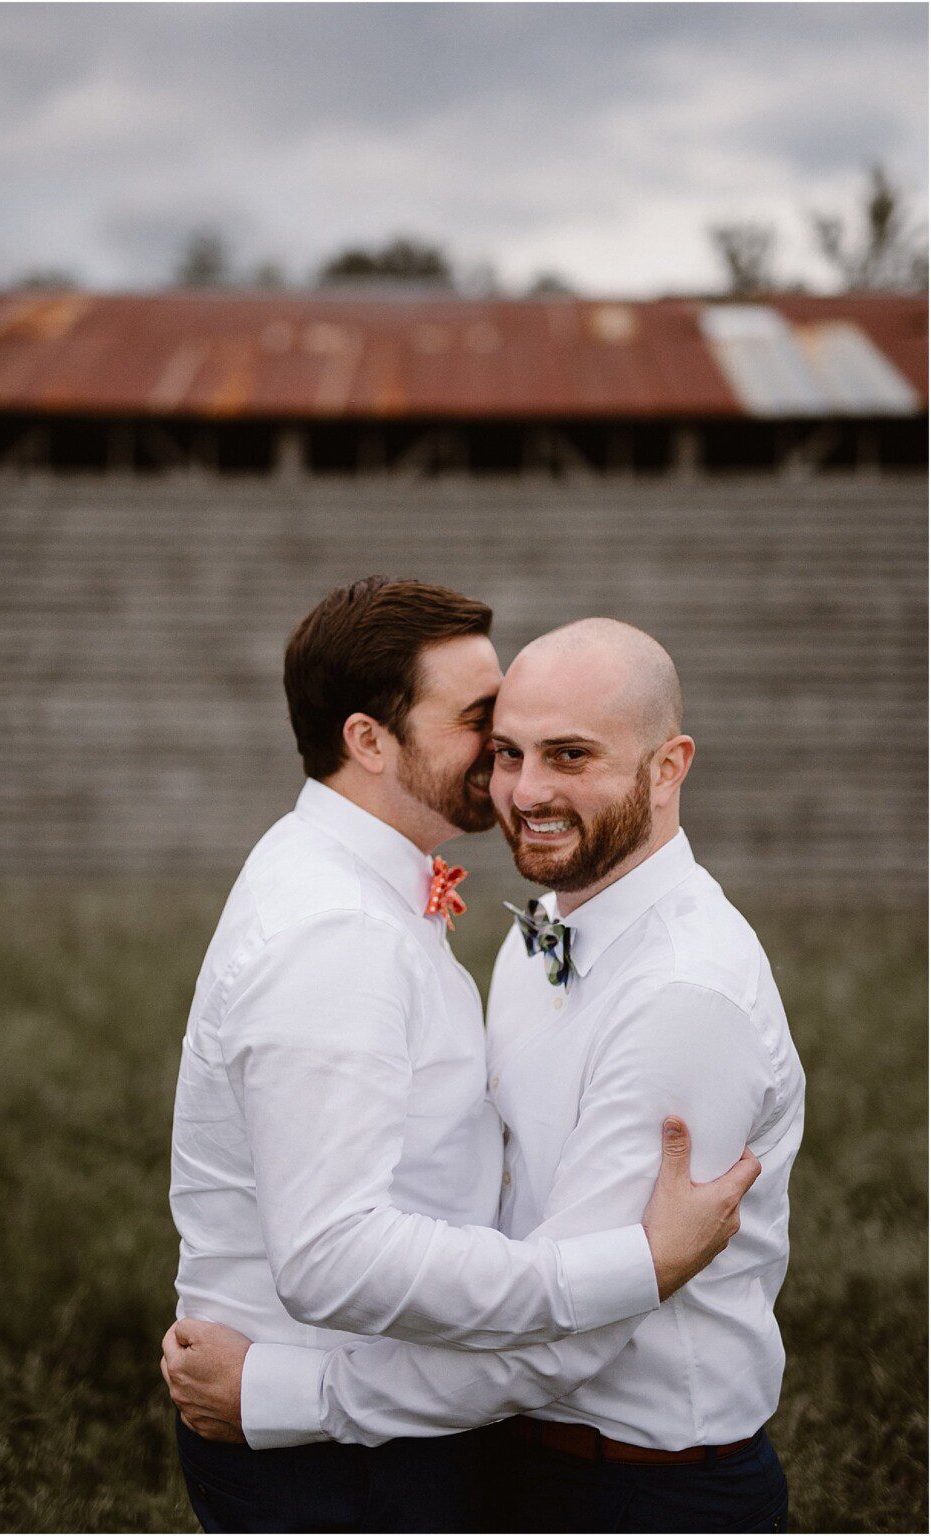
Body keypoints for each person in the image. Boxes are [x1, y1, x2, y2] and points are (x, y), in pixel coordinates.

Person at [164, 585, 763, 1534]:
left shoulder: (665, 984)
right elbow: (332, 1255)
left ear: (666, 768)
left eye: (564, 752)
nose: (512, 778)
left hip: (630, 1483)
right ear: (369, 741)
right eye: (490, 731)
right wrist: (635, 1265)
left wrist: (288, 1394)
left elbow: (571, 1331)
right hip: (344, 1466)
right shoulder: (344, 931)